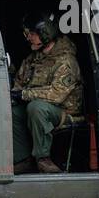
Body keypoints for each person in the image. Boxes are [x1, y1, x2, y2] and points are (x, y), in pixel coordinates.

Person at [11, 14, 82, 173]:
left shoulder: (66, 61)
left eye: (33, 34)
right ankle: (23, 159)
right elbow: (19, 84)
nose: (29, 38)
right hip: (38, 108)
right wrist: (14, 95)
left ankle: (43, 158)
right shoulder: (32, 59)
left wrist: (24, 95)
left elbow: (57, 94)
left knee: (37, 108)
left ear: (45, 34)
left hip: (65, 112)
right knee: (14, 112)